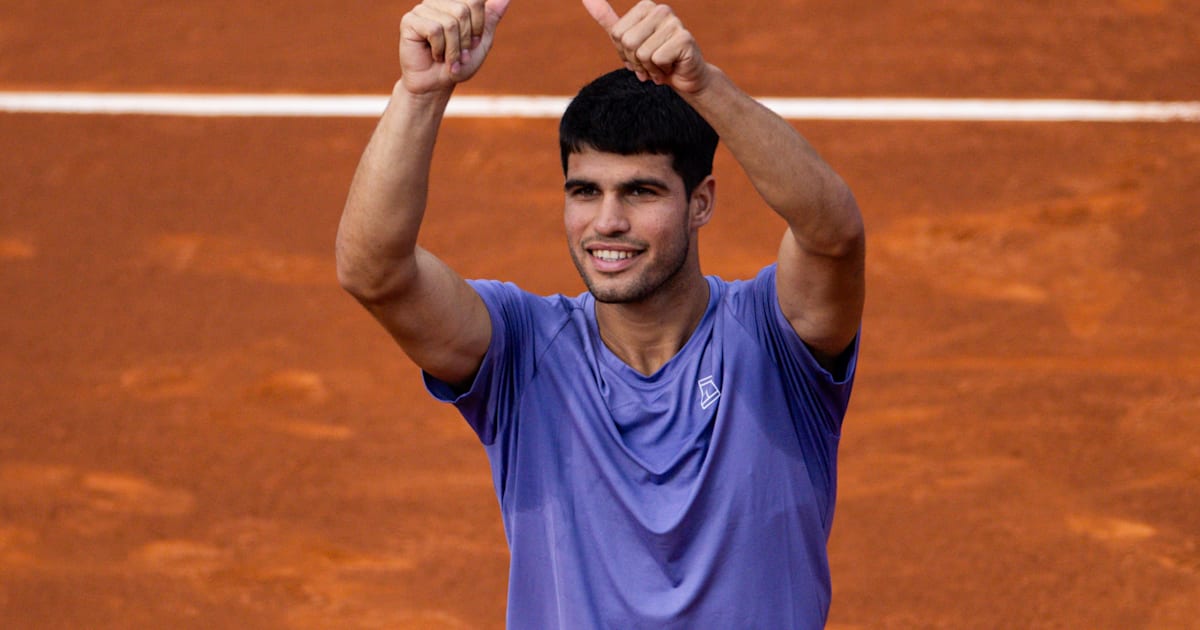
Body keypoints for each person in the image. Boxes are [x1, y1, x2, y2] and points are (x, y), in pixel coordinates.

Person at [336, 0, 865, 626]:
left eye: (640, 191)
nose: (607, 222)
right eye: (585, 191)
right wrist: (420, 93)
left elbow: (833, 235)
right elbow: (374, 271)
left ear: (701, 203)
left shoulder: (778, 343)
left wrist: (703, 85)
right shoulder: (522, 351)